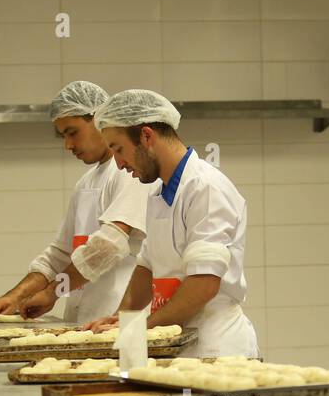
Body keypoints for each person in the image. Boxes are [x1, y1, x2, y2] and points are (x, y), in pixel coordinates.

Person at [86, 90, 259, 358]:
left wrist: (139, 329)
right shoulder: (159, 193)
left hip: (215, 347)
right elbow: (146, 266)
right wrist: (121, 318)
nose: (119, 165)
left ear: (146, 136)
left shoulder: (206, 188)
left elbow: (203, 285)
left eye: (119, 150)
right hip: (175, 340)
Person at [0, 81, 149, 325]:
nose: (68, 145)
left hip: (121, 321)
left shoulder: (129, 173)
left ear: (100, 119)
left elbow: (108, 247)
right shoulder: (86, 183)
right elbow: (59, 255)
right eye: (63, 136)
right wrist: (13, 298)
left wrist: (52, 292)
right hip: (83, 321)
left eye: (72, 132)